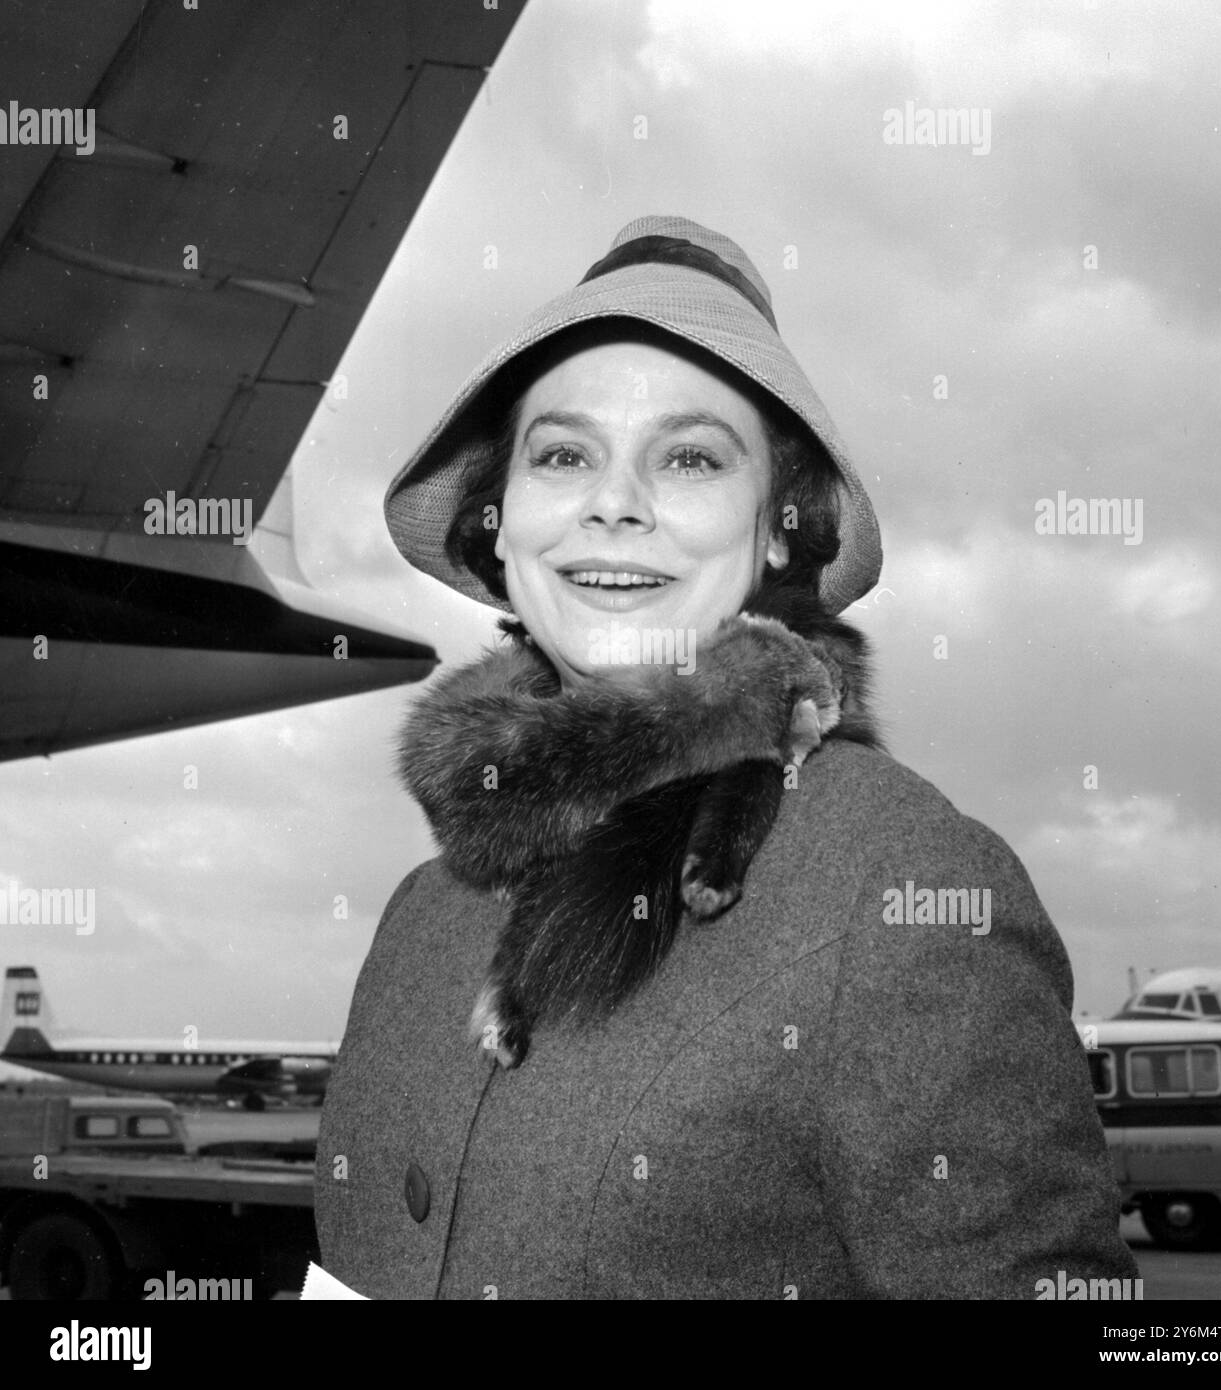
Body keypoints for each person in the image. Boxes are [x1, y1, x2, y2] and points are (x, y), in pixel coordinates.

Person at [315, 215, 1138, 1299]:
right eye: (563, 454)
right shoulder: (420, 913)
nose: (615, 502)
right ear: (500, 525)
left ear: (778, 532)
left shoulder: (903, 885)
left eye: (691, 458)